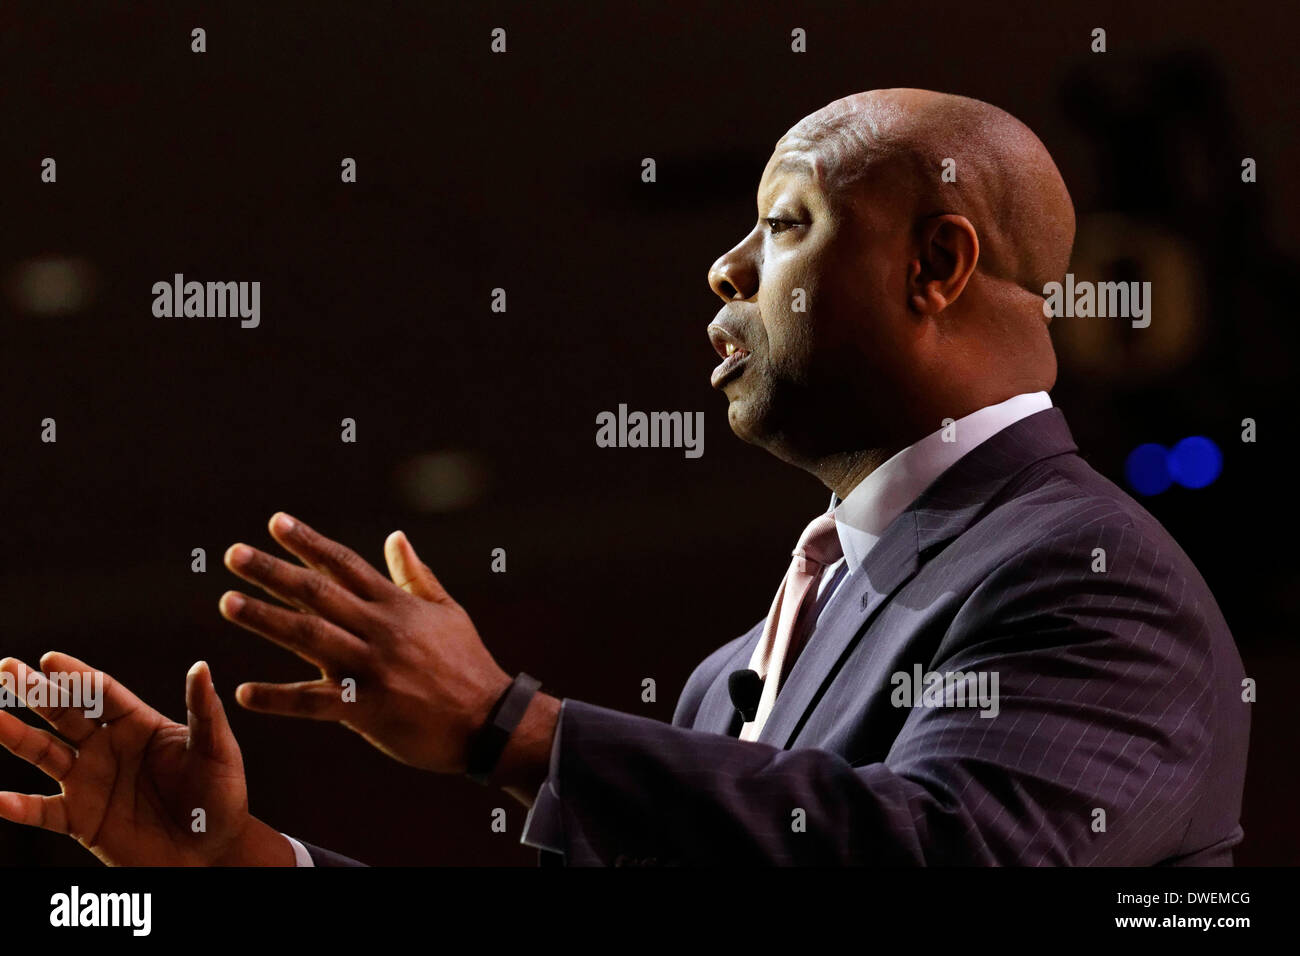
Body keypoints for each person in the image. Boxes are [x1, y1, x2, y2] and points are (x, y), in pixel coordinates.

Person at [0, 89, 1249, 866]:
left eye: (788, 222)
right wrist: (247, 863)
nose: (723, 265)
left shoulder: (1087, 573)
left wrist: (517, 729)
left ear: (937, 264)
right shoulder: (724, 681)